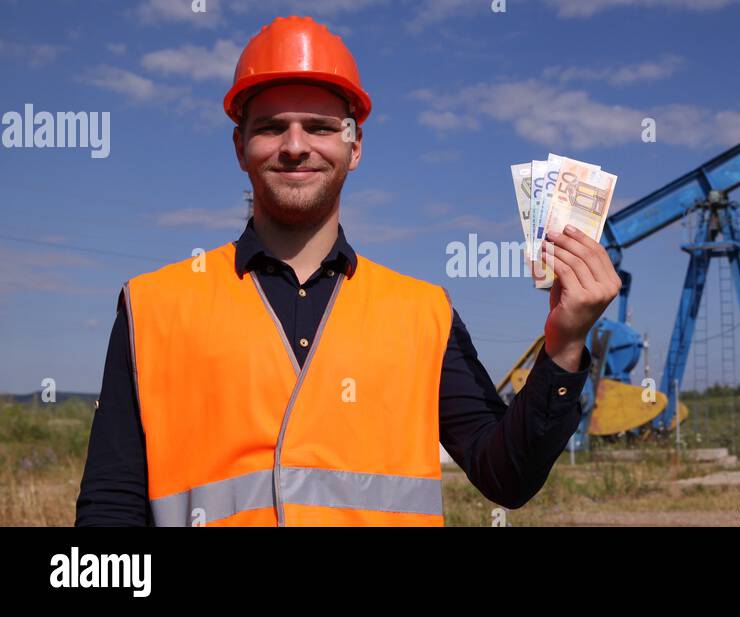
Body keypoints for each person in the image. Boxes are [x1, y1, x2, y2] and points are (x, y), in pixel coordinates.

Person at [76, 15, 621, 526]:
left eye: (318, 127)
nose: (294, 146)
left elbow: (506, 475)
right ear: (240, 146)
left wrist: (564, 345)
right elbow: (110, 506)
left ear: (354, 145)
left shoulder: (421, 314)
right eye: (271, 128)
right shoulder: (154, 305)